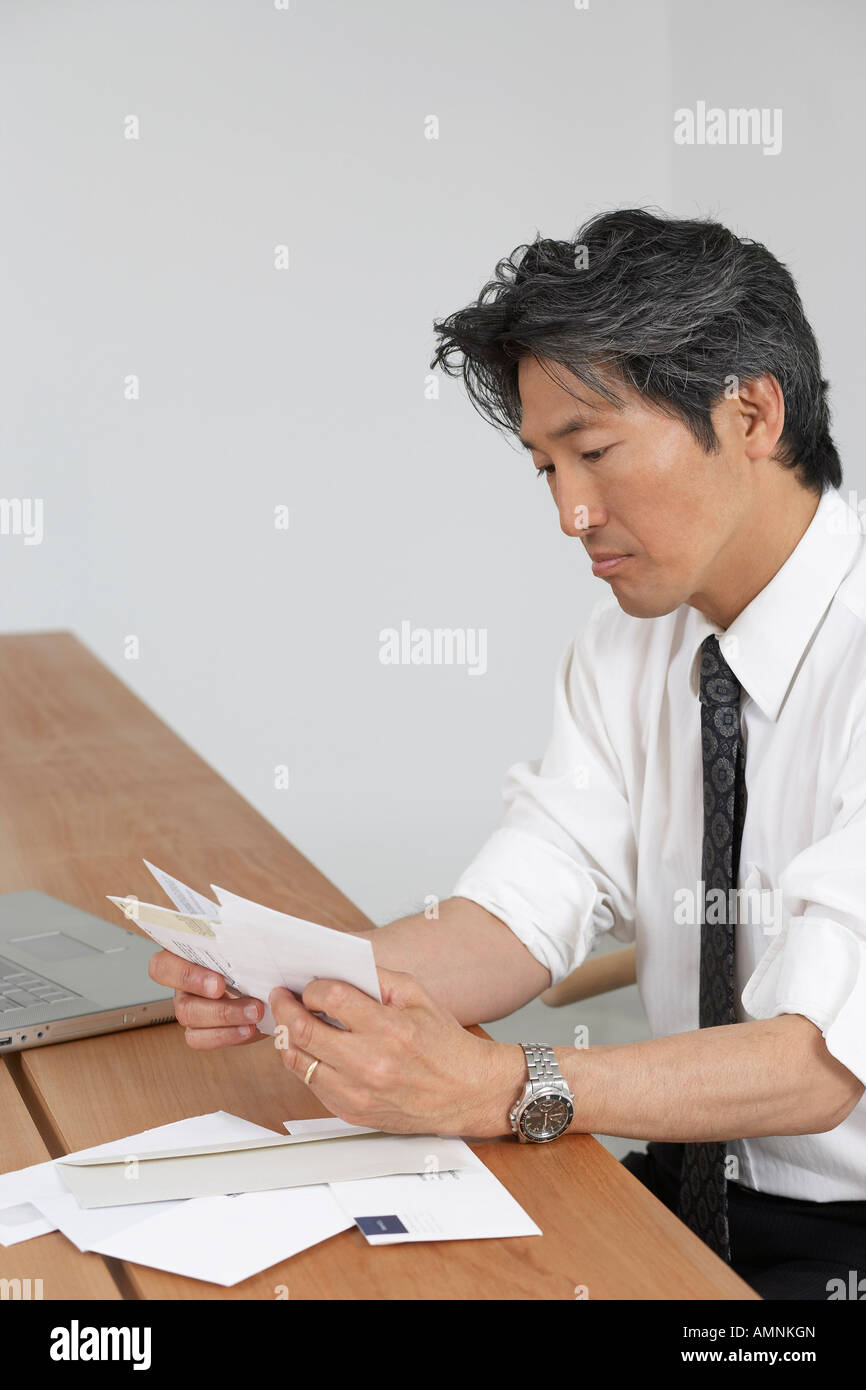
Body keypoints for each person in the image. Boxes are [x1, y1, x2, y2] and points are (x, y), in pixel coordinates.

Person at [149, 209, 866, 1300]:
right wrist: (299, 983)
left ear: (751, 409)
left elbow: (815, 1062)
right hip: (674, 1180)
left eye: (592, 451)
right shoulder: (628, 639)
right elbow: (522, 908)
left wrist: (503, 1084)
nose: (570, 513)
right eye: (543, 466)